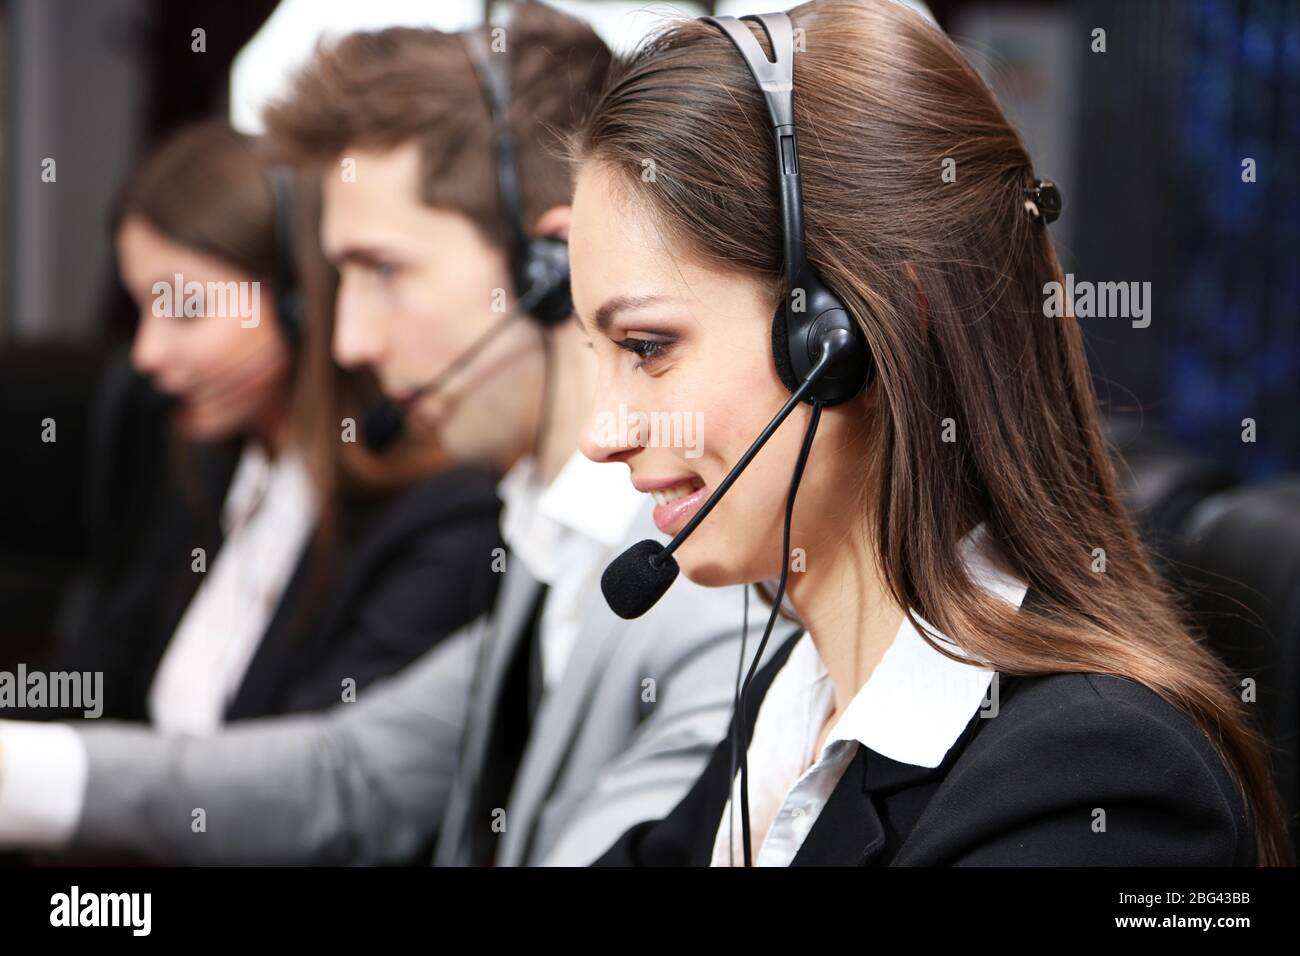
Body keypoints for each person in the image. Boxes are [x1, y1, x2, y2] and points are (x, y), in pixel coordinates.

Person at [0, 4, 772, 865]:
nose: (349, 343)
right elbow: (350, 776)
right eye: (341, 280)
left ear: (549, 269)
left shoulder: (707, 586)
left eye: (384, 271)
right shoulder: (549, 540)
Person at [566, 0, 1292, 865]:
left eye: (647, 346)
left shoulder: (1100, 785)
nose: (598, 435)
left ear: (851, 338)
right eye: (594, 353)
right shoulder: (799, 697)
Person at [2, 120, 502, 736]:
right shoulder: (208, 457)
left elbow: (307, 787)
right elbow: (106, 664)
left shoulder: (442, 520)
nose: (145, 355)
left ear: (300, 303)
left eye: (183, 306)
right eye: (142, 308)